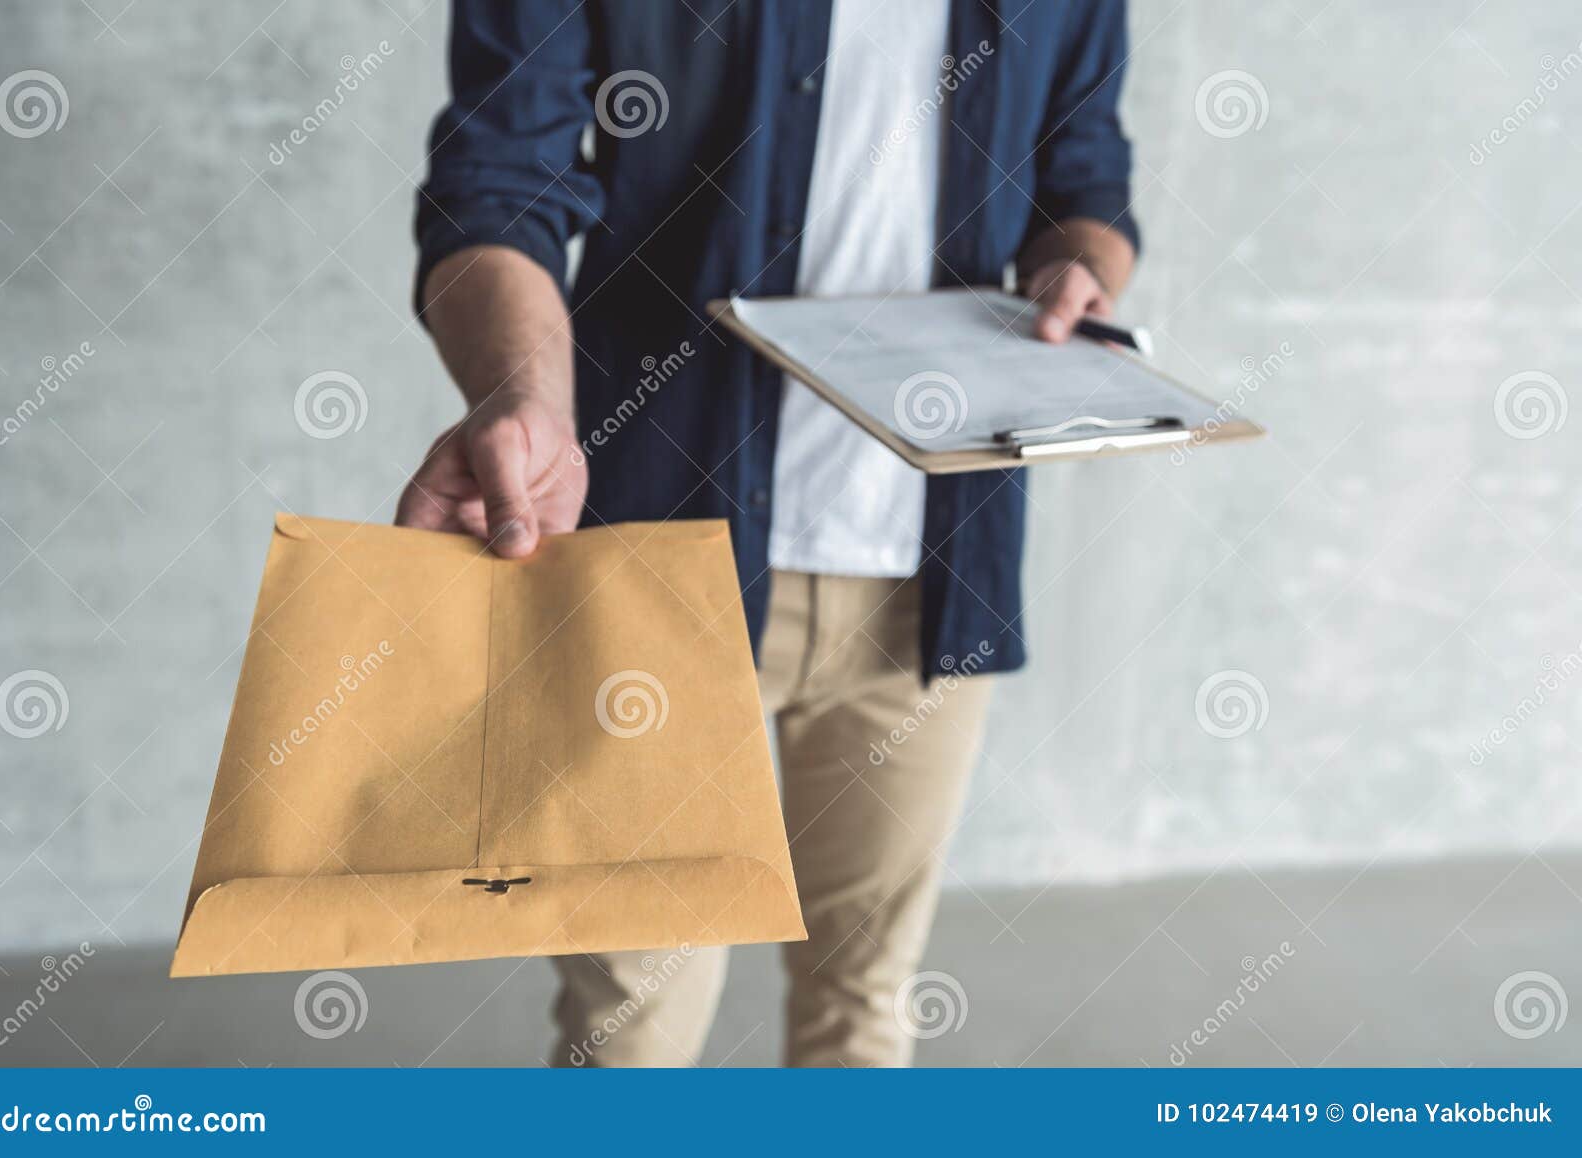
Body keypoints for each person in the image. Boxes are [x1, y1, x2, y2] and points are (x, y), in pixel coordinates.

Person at [399, 0, 1138, 1066]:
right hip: (660, 549)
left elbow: (1085, 182)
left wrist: (1080, 270)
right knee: (629, 1036)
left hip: (926, 571)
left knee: (865, 1007)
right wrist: (525, 401)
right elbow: (496, 184)